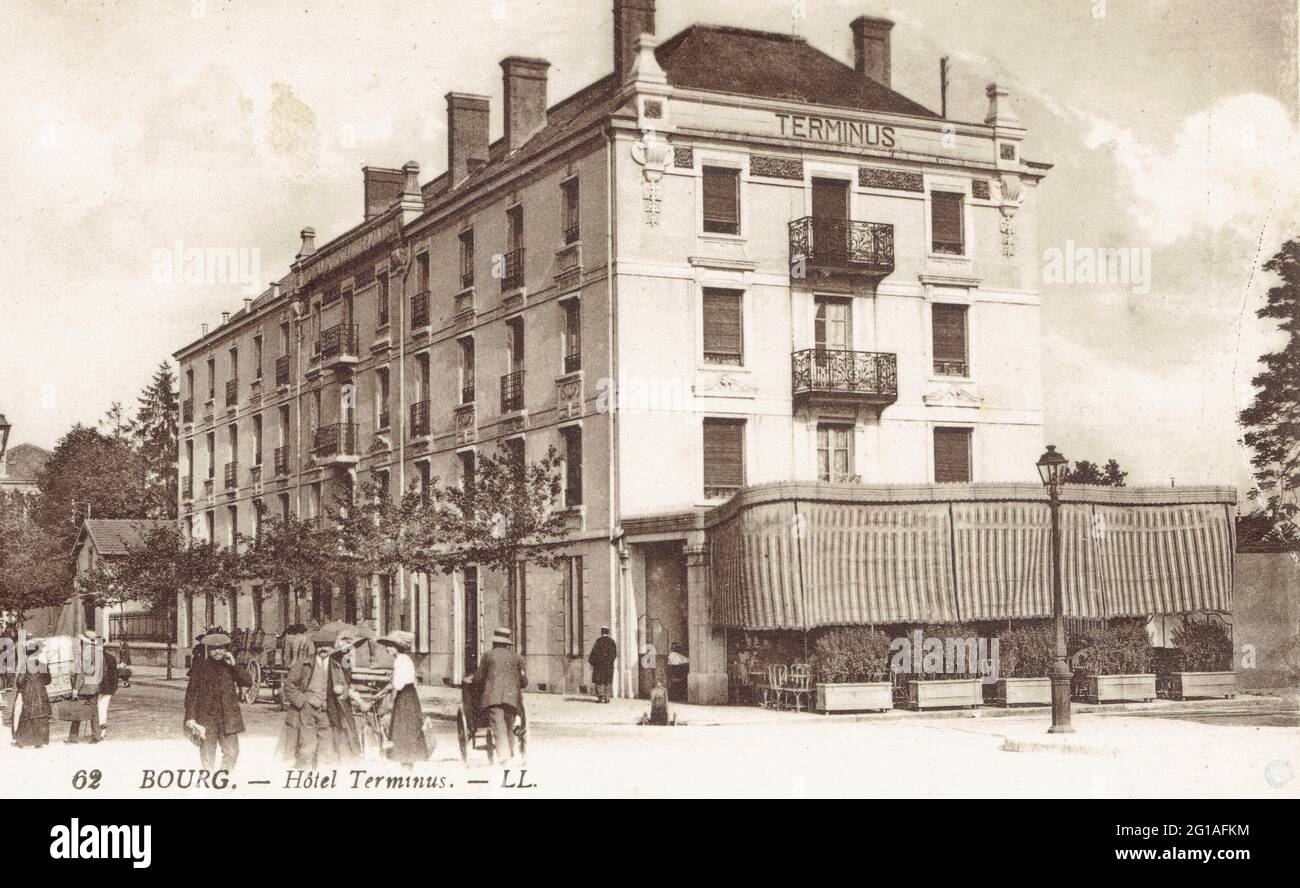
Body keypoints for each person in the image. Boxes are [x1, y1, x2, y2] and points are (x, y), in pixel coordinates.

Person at [183, 632, 252, 771]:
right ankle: (209, 782)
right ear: (208, 650)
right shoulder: (200, 667)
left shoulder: (230, 667)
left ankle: (223, 777)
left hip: (228, 716)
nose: (218, 651)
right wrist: (191, 717)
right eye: (214, 649)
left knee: (232, 752)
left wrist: (235, 665)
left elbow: (247, 681)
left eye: (221, 648)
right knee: (208, 755)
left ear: (226, 650)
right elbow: (190, 694)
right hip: (207, 717)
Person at [277, 629, 342, 768]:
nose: (323, 649)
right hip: (308, 710)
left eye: (327, 645)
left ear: (332, 647)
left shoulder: (337, 666)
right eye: (320, 645)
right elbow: (289, 684)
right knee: (306, 745)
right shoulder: (304, 663)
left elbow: (344, 686)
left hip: (327, 711)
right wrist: (302, 702)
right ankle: (304, 775)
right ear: (315, 646)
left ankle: (323, 777)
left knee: (327, 746)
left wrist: (342, 691)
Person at [471, 627, 526, 765]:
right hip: (512, 698)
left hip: (493, 698)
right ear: (507, 643)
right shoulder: (517, 658)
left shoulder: (488, 656)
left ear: (495, 642)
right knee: (509, 726)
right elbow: (524, 681)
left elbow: (478, 678)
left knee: (499, 726)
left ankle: (504, 757)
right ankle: (511, 753)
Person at [375, 630, 428, 769]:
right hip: (410, 698)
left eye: (390, 645)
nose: (387, 648)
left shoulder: (400, 660)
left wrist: (388, 689)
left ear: (397, 647)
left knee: (403, 732)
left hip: (404, 699)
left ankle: (406, 767)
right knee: (408, 732)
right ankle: (408, 765)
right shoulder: (405, 659)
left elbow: (398, 684)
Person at [67, 631, 118, 743]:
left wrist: (75, 689)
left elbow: (81, 673)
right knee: (94, 713)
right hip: (95, 687)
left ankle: (73, 737)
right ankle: (96, 736)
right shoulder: (99, 654)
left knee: (78, 712)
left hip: (84, 688)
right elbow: (103, 671)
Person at [13, 641, 52, 749]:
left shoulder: (24, 666)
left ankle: (21, 741)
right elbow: (48, 680)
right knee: (41, 717)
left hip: (28, 694)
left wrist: (23, 687)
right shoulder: (42, 665)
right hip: (41, 694)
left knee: (26, 717)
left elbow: (19, 682)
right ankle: (39, 742)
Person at [587, 626, 617, 703]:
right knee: (608, 681)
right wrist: (610, 662)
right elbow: (614, 654)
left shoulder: (598, 641)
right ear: (608, 632)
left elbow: (594, 653)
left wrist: (592, 663)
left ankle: (601, 697)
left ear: (601, 632)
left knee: (599, 681)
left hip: (599, 665)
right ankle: (607, 698)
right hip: (608, 665)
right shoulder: (612, 642)